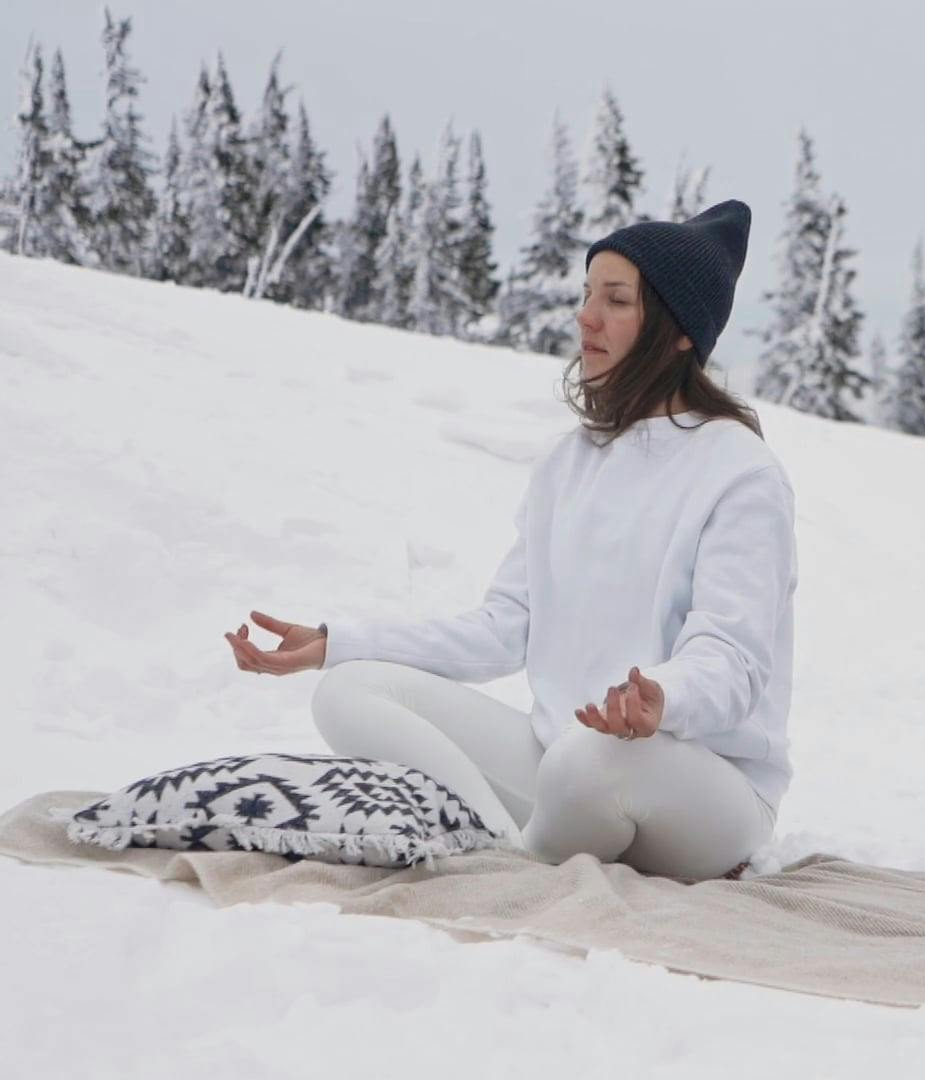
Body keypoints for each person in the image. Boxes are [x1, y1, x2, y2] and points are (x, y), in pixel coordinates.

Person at [223, 201, 797, 882]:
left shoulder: (740, 472)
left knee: (589, 760)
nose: (587, 316)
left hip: (700, 791)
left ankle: (509, 864)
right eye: (588, 295)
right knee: (349, 692)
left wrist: (661, 699)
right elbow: (503, 629)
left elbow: (732, 659)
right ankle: (499, 851)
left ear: (677, 333)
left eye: (616, 300)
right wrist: (336, 643)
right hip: (564, 768)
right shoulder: (570, 463)